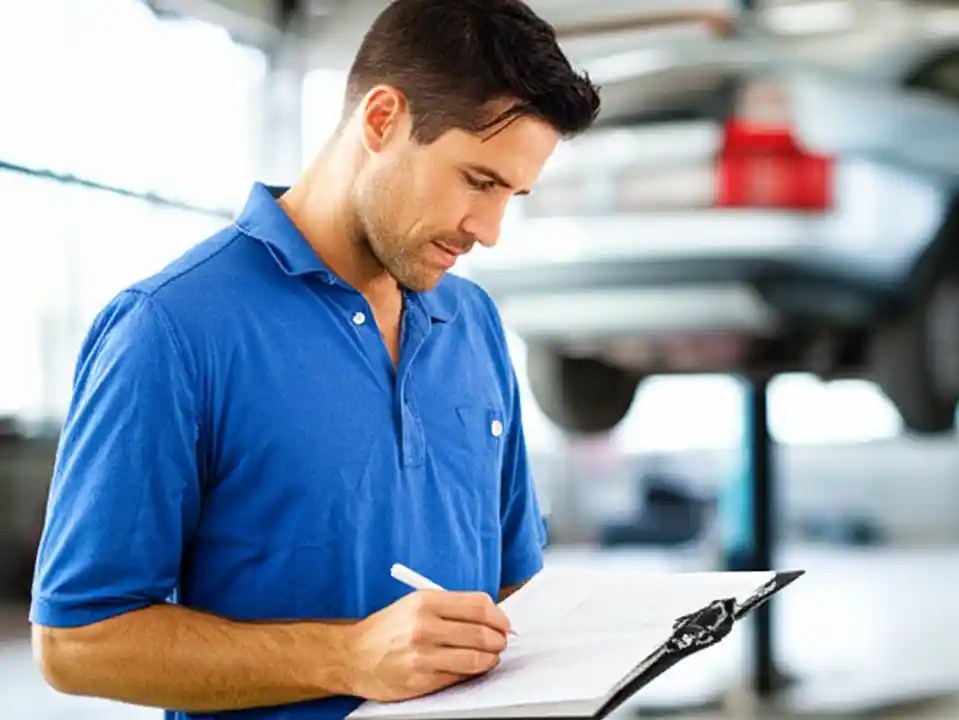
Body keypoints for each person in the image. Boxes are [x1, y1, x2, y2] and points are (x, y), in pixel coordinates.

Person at [29, 2, 599, 719]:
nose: (488, 230)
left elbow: (515, 589)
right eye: (477, 182)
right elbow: (76, 641)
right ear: (382, 119)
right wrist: (349, 657)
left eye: (512, 196)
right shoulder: (170, 328)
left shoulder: (474, 322)